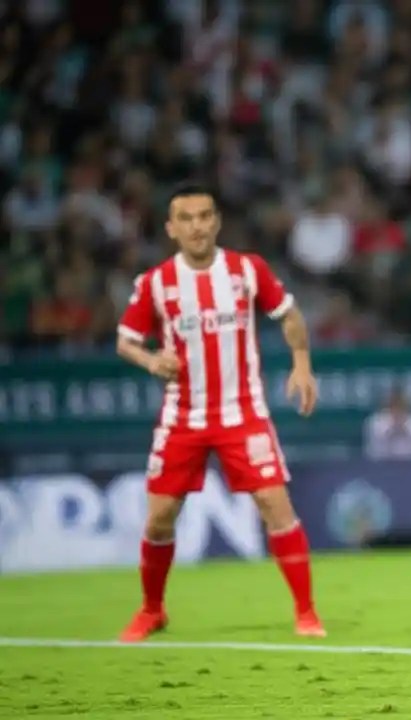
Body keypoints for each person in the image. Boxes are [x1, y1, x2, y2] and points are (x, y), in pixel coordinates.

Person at [115, 182, 324, 642]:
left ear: (217, 221)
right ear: (171, 228)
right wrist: (151, 360)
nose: (197, 226)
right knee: (160, 517)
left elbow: (288, 315)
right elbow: (125, 340)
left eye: (205, 216)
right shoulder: (156, 283)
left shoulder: (246, 270)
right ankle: (152, 610)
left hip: (242, 412)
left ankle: (306, 613)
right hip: (182, 416)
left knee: (275, 505)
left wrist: (302, 365)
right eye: (186, 218)